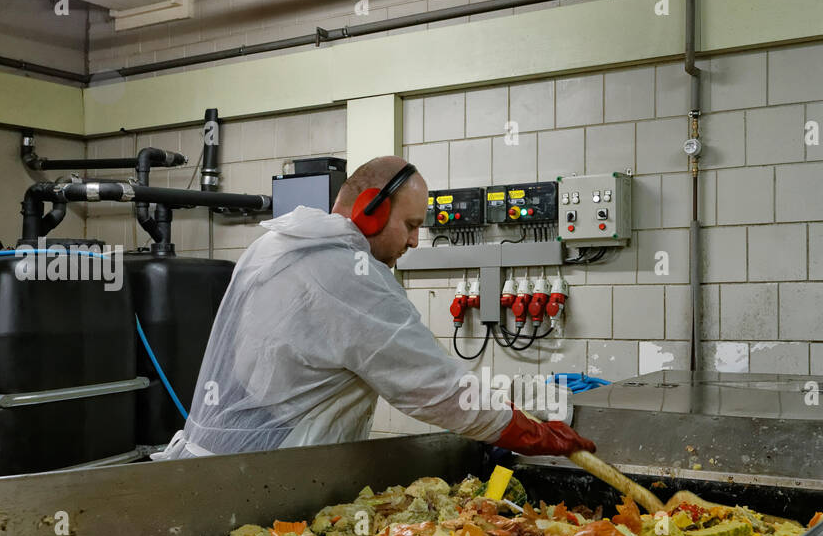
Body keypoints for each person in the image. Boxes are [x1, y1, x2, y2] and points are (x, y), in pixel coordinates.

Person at [156, 155, 595, 459]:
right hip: (268, 478)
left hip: (212, 463)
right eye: (410, 225)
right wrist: (534, 434)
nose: (413, 241)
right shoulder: (349, 273)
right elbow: (437, 390)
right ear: (369, 210)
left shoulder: (274, 245)